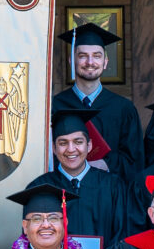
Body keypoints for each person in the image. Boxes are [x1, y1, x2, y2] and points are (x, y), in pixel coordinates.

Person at [35, 97, 136, 249]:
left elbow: (122, 235)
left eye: (78, 142)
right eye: (63, 143)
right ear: (54, 148)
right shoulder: (41, 188)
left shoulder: (113, 186)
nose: (71, 149)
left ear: (89, 145)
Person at [54, 22, 142, 182]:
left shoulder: (124, 108)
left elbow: (135, 161)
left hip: (110, 192)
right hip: (65, 190)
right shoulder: (55, 106)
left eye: (97, 56)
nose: (90, 62)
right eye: (82, 56)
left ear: (105, 62)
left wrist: (106, 164)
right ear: (71, 61)